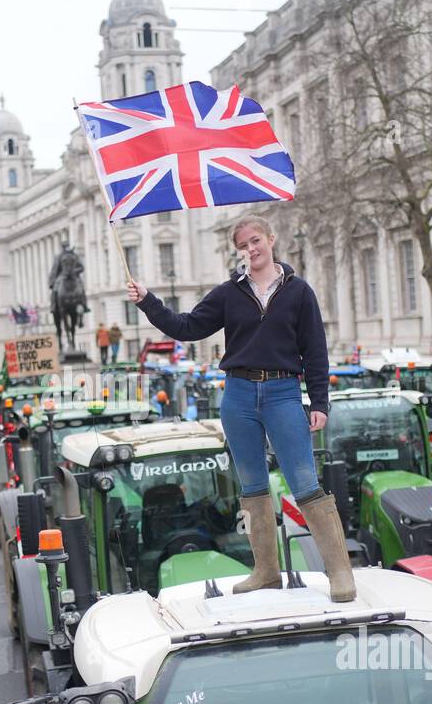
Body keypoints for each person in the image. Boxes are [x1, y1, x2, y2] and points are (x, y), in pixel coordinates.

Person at [126, 214, 354, 601]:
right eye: (243, 246)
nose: (250, 250)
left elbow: (315, 350)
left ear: (271, 238)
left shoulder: (299, 291)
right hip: (238, 395)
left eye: (255, 241)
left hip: (283, 392)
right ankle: (265, 570)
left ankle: (340, 573)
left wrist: (319, 402)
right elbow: (187, 327)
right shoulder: (229, 293)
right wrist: (148, 302)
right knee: (251, 486)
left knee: (305, 483)